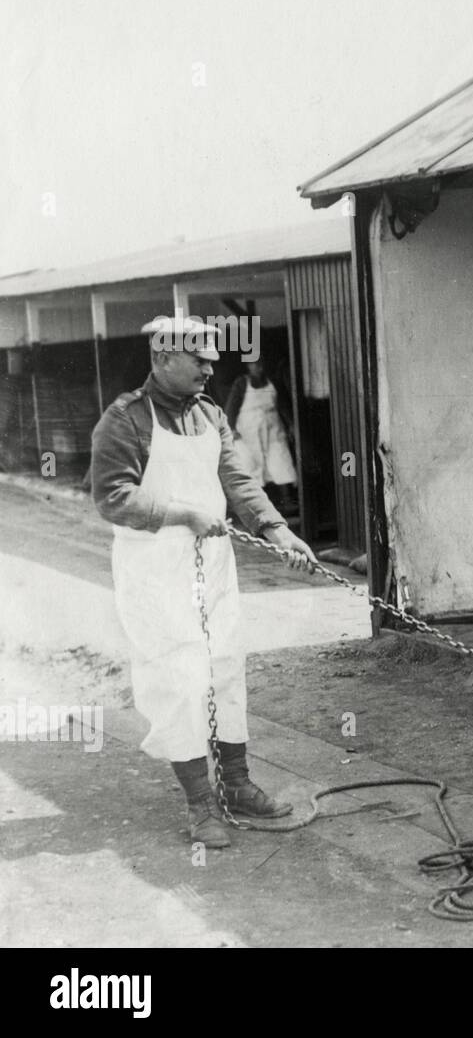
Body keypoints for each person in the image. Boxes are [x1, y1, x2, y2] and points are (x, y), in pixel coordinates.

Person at [90, 315, 319, 849]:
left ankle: (237, 786)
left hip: (212, 561)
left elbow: (236, 478)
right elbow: (113, 497)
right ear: (163, 358)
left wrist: (278, 530)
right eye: (200, 358)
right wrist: (182, 513)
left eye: (213, 358)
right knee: (179, 678)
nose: (212, 368)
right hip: (154, 567)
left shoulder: (210, 414)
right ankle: (201, 804)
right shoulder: (124, 420)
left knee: (224, 667)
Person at [225, 356, 298, 512]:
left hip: (273, 427)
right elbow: (231, 408)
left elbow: (283, 406)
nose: (258, 368)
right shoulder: (242, 383)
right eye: (254, 364)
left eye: (260, 364)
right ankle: (259, 505)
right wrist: (231, 429)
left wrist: (291, 424)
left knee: (279, 460)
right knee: (253, 465)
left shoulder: (273, 382)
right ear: (248, 366)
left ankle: (286, 501)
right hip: (249, 430)